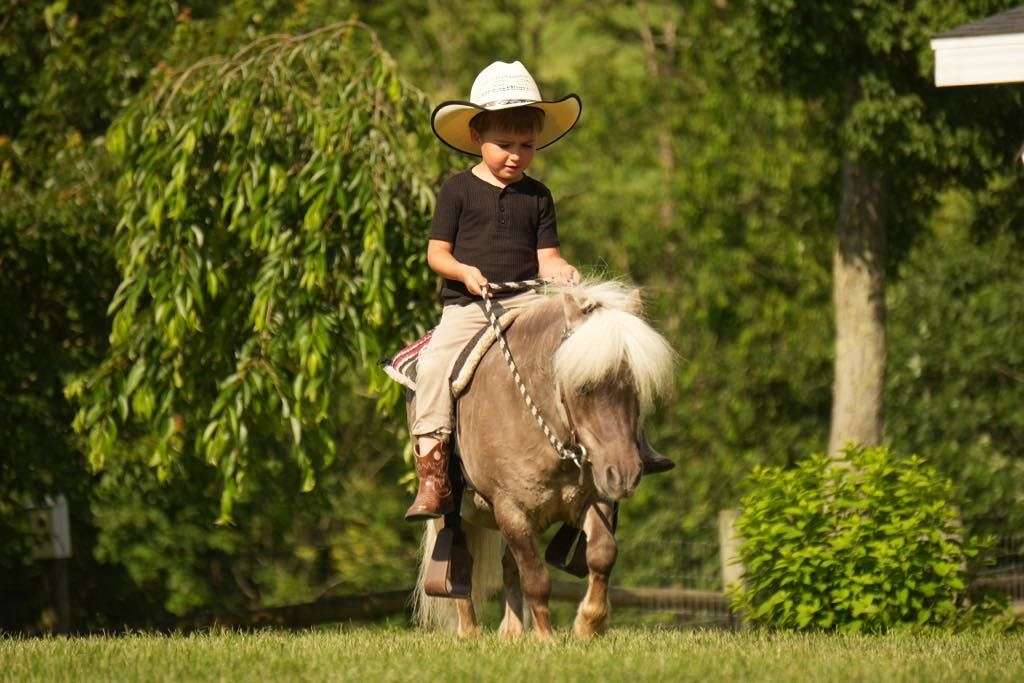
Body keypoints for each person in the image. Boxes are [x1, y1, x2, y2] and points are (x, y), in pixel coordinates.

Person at [405, 61, 672, 522]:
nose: (516, 155)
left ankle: (631, 445)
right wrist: (465, 272)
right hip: (470, 306)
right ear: (476, 137)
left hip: (528, 303)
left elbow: (547, 258)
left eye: (526, 146)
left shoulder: (539, 196)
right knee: (433, 367)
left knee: (600, 358)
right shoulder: (457, 191)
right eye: (505, 145)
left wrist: (562, 271)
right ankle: (433, 475)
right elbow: (437, 254)